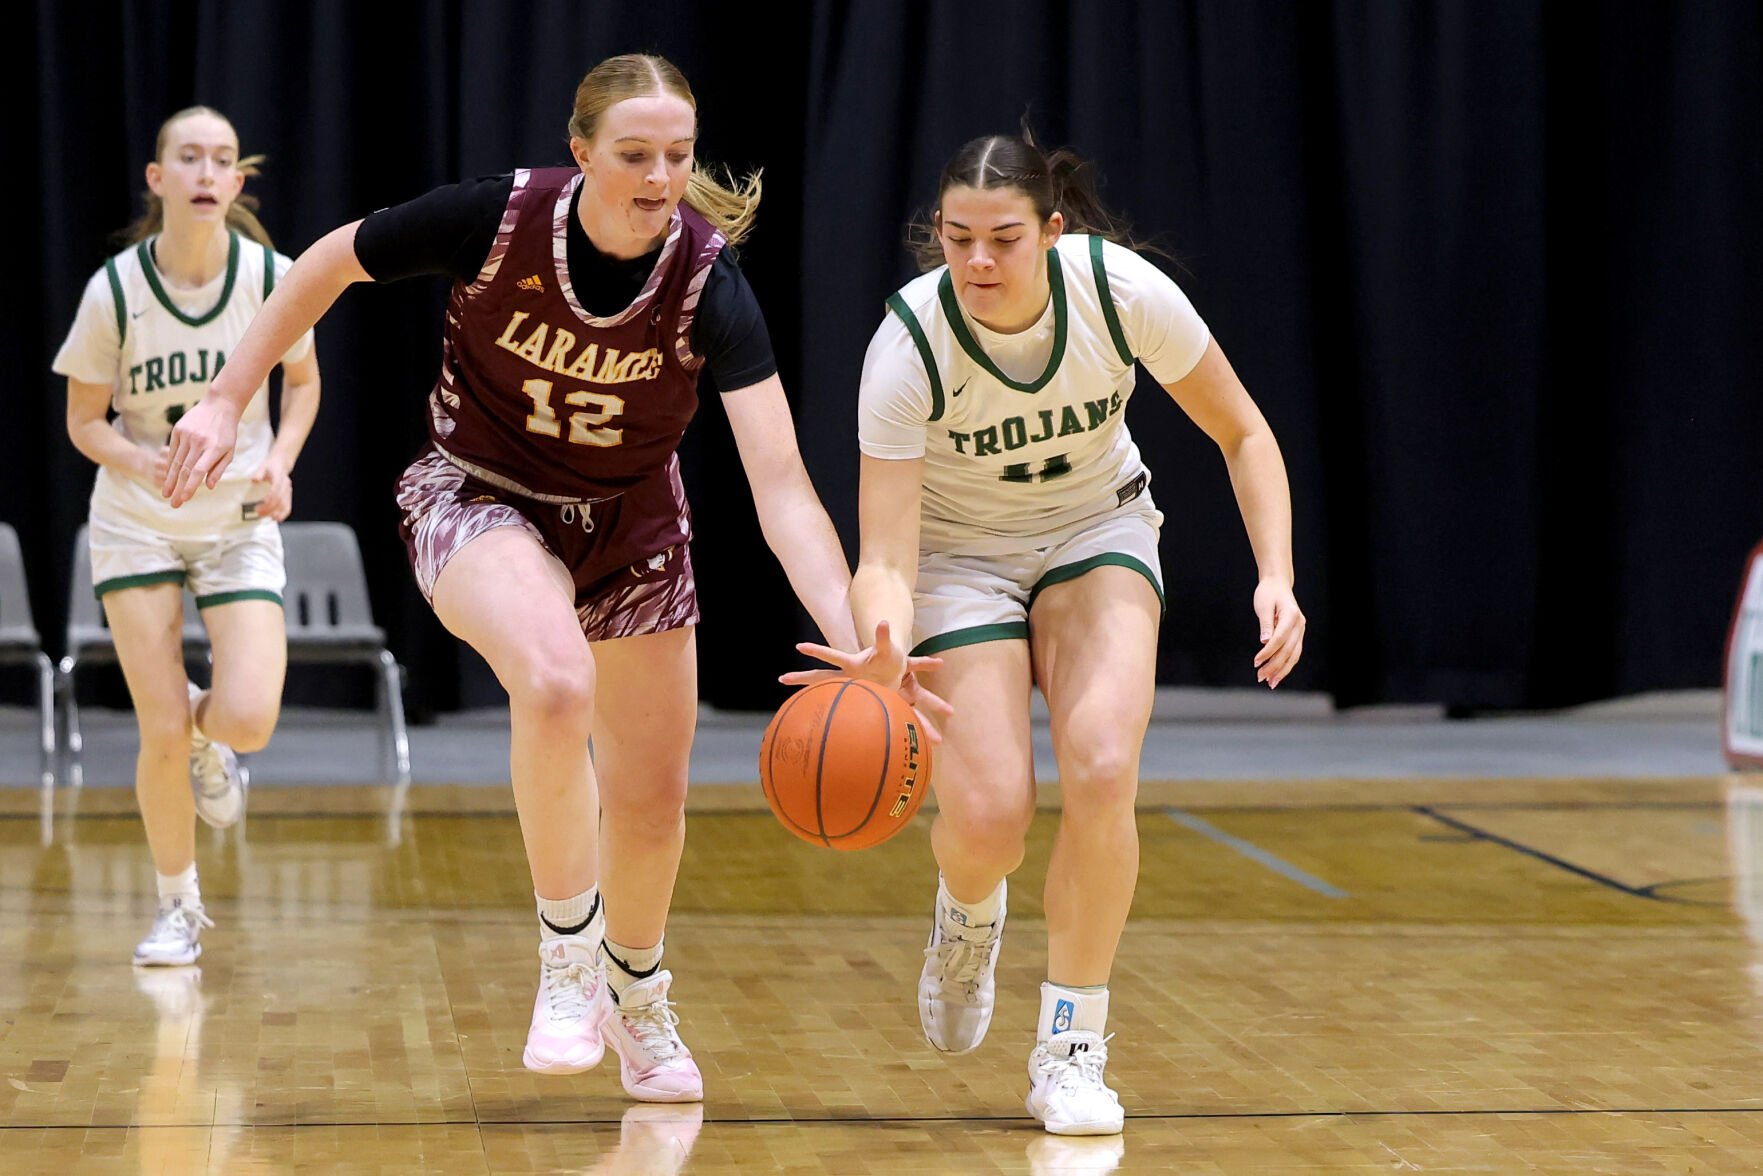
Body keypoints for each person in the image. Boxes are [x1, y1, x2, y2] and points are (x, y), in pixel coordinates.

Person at [161, 54, 937, 1104]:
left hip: (632, 525)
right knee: (555, 679)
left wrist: (857, 629)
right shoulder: (498, 218)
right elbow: (326, 264)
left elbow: (784, 486)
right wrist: (223, 396)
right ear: (581, 154)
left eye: (676, 155)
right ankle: (567, 956)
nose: (660, 176)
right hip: (476, 494)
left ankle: (638, 993)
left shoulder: (709, 280)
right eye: (634, 155)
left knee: (653, 801)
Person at [788, 130, 1306, 1135]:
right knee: (988, 818)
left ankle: (1071, 1045)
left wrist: (1276, 575)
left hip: (1094, 526)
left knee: (1103, 765)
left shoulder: (1119, 293)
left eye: (1002, 239)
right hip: (957, 560)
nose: (976, 262)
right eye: (956, 238)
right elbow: (885, 555)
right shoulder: (906, 346)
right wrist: (884, 641)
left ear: (1051, 233)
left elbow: (1243, 431)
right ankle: (966, 911)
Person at [52, 106, 321, 968]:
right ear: (158, 179)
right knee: (159, 723)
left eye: (222, 159)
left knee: (245, 718)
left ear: (238, 182)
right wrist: (144, 460)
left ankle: (210, 740)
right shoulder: (116, 290)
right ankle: (177, 906)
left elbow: (304, 383)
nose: (207, 171)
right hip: (138, 520)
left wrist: (279, 459)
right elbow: (83, 423)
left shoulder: (272, 277)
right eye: (188, 158)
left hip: (237, 518)